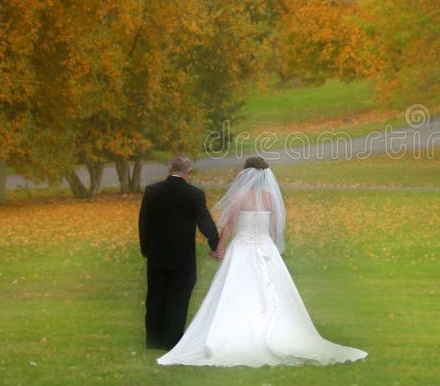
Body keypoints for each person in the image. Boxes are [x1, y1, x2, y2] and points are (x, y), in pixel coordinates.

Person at [157, 156, 367, 368]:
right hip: (265, 247)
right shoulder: (271, 198)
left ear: (245, 175)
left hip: (242, 247)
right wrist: (269, 246)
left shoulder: (239, 197)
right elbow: (274, 230)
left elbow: (229, 227)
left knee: (235, 290)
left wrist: (219, 248)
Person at [138, 155, 220, 349]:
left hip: (157, 254)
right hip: (183, 256)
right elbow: (205, 222)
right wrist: (215, 244)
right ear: (188, 171)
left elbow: (144, 222)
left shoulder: (153, 191)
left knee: (156, 296)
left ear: (170, 168)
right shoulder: (195, 194)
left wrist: (145, 248)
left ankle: (154, 340)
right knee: (179, 298)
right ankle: (173, 340)